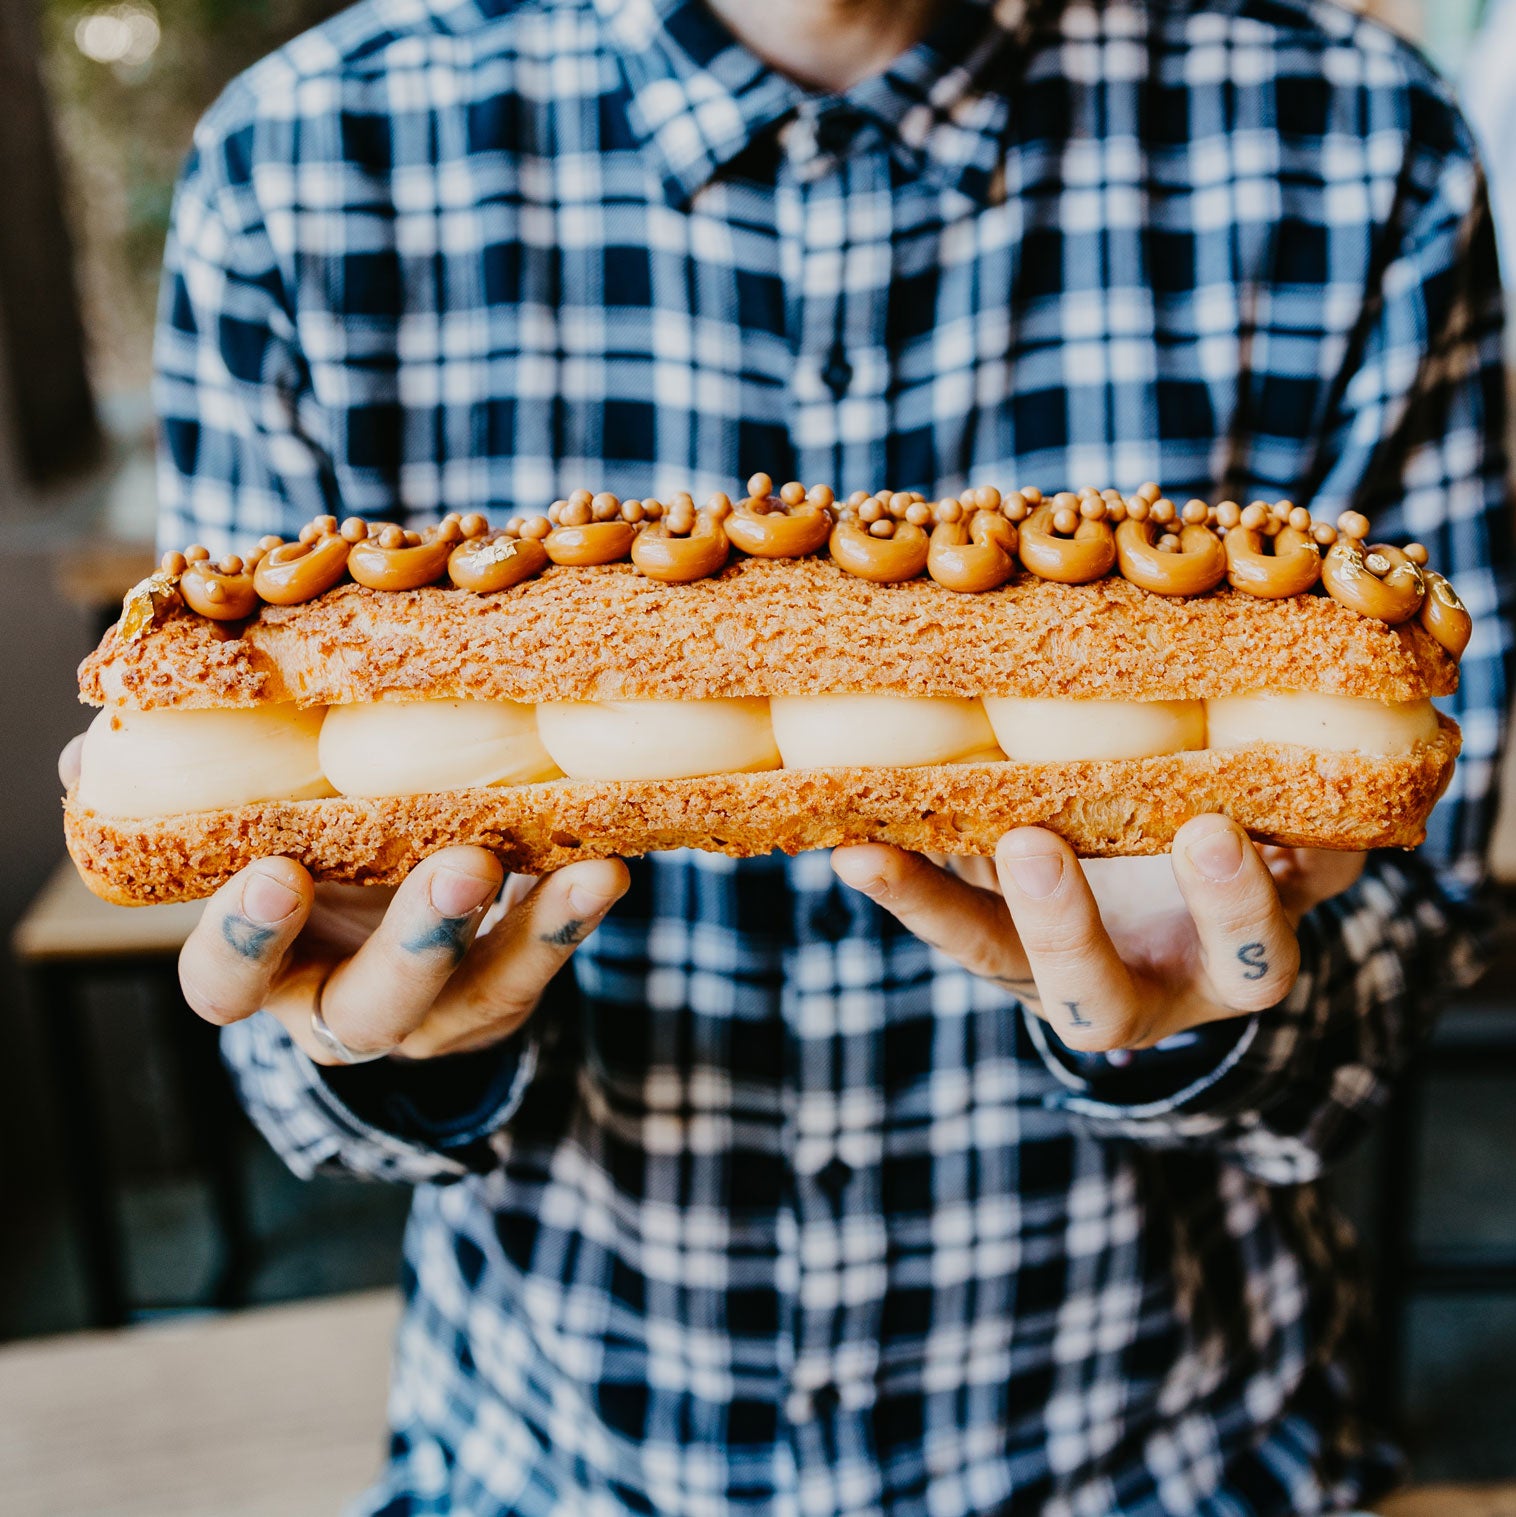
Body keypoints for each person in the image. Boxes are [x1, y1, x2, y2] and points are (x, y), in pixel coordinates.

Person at [64, 0, 1514, 1510]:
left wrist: (1215, 1021)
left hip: (1175, 1451)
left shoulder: (1355, 141)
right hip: (559, 1458)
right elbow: (278, 1020)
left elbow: (1429, 906)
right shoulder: (304, 159)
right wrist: (389, 1044)